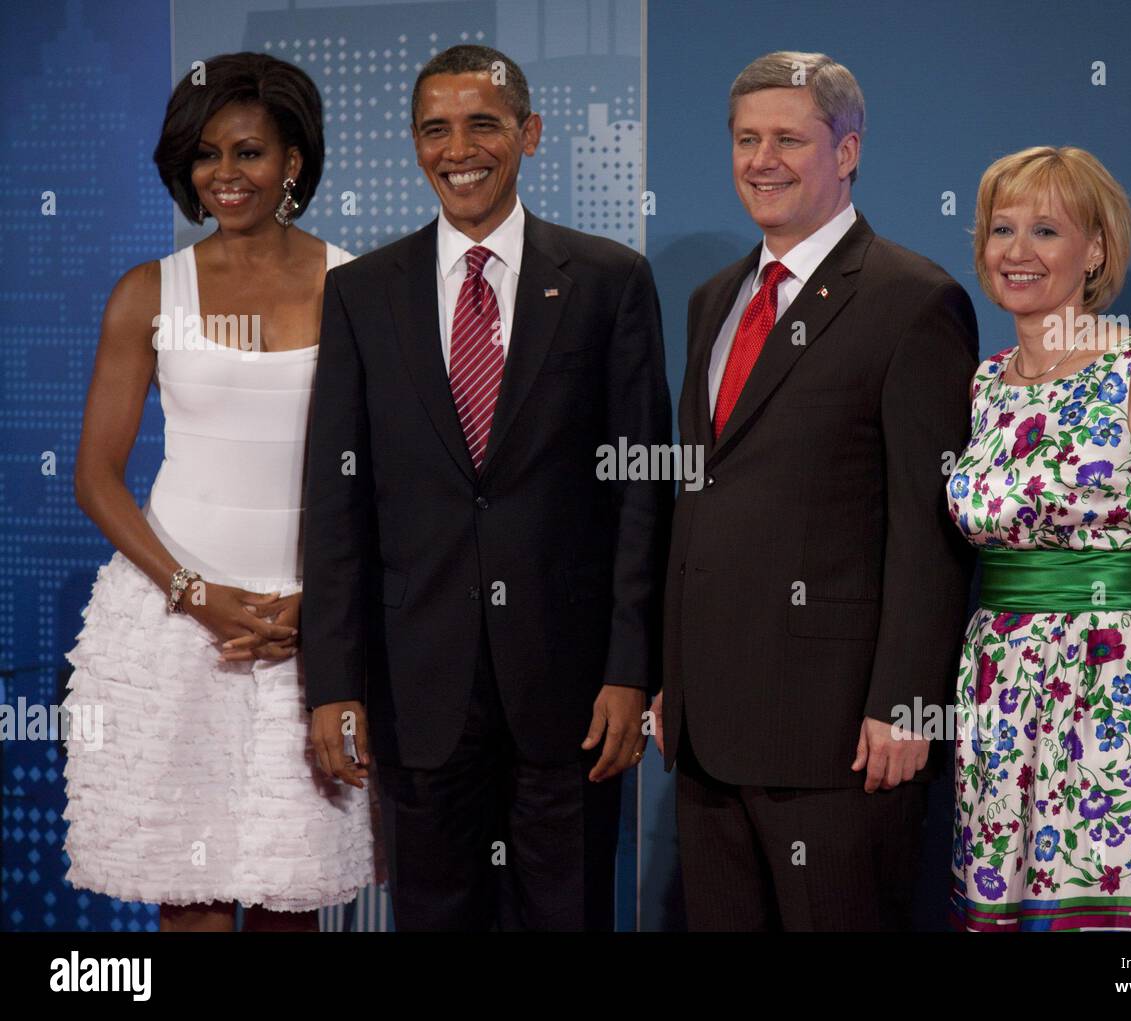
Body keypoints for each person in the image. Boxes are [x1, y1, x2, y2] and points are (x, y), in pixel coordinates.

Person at [301, 44, 672, 931]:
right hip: (416, 690)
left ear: (529, 134)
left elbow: (641, 496)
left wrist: (631, 669)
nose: (458, 148)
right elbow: (337, 502)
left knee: (567, 912)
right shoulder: (360, 292)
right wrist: (332, 681)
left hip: (572, 692)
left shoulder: (610, 281)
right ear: (416, 145)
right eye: (436, 129)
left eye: (483, 124)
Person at [652, 51, 979, 931]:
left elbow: (929, 526)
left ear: (847, 152)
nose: (763, 159)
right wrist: (669, 676)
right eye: (746, 139)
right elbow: (699, 497)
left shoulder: (915, 301)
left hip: (840, 739)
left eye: (789, 138)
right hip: (709, 728)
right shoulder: (714, 299)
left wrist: (908, 702)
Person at [63, 52, 379, 932]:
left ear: (294, 164)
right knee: (189, 899)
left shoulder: (358, 291)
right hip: (175, 628)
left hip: (309, 631)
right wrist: (194, 593)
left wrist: (319, 607)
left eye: (248, 153)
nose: (225, 175)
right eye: (206, 155)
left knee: (291, 897)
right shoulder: (146, 293)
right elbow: (96, 475)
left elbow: (386, 480)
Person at [948, 145, 1131, 931]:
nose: (1016, 251)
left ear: (1097, 249)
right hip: (996, 703)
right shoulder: (982, 385)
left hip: (1109, 698)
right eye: (1000, 228)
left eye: (1046, 230)